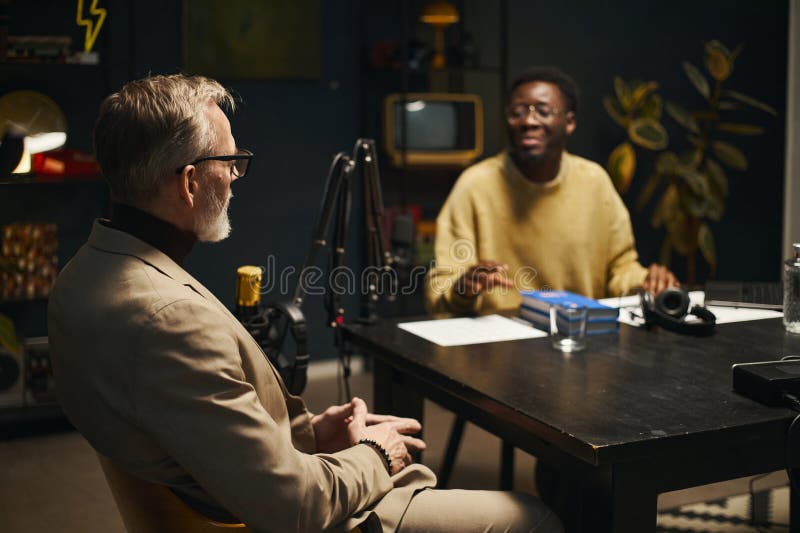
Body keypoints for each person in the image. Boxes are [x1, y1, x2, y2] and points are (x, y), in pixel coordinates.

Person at [47, 74, 563, 533]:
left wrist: (311, 433)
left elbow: (198, 431)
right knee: (534, 516)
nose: (234, 177)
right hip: (278, 517)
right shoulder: (170, 320)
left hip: (231, 489)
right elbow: (293, 507)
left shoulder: (82, 276)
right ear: (187, 183)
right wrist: (375, 454)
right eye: (230, 162)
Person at [426, 66, 677, 314]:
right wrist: (465, 287)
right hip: (500, 343)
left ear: (569, 122)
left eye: (543, 112)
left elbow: (620, 269)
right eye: (517, 112)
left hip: (580, 338)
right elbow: (441, 287)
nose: (529, 121)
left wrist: (647, 282)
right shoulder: (474, 185)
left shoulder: (594, 181)